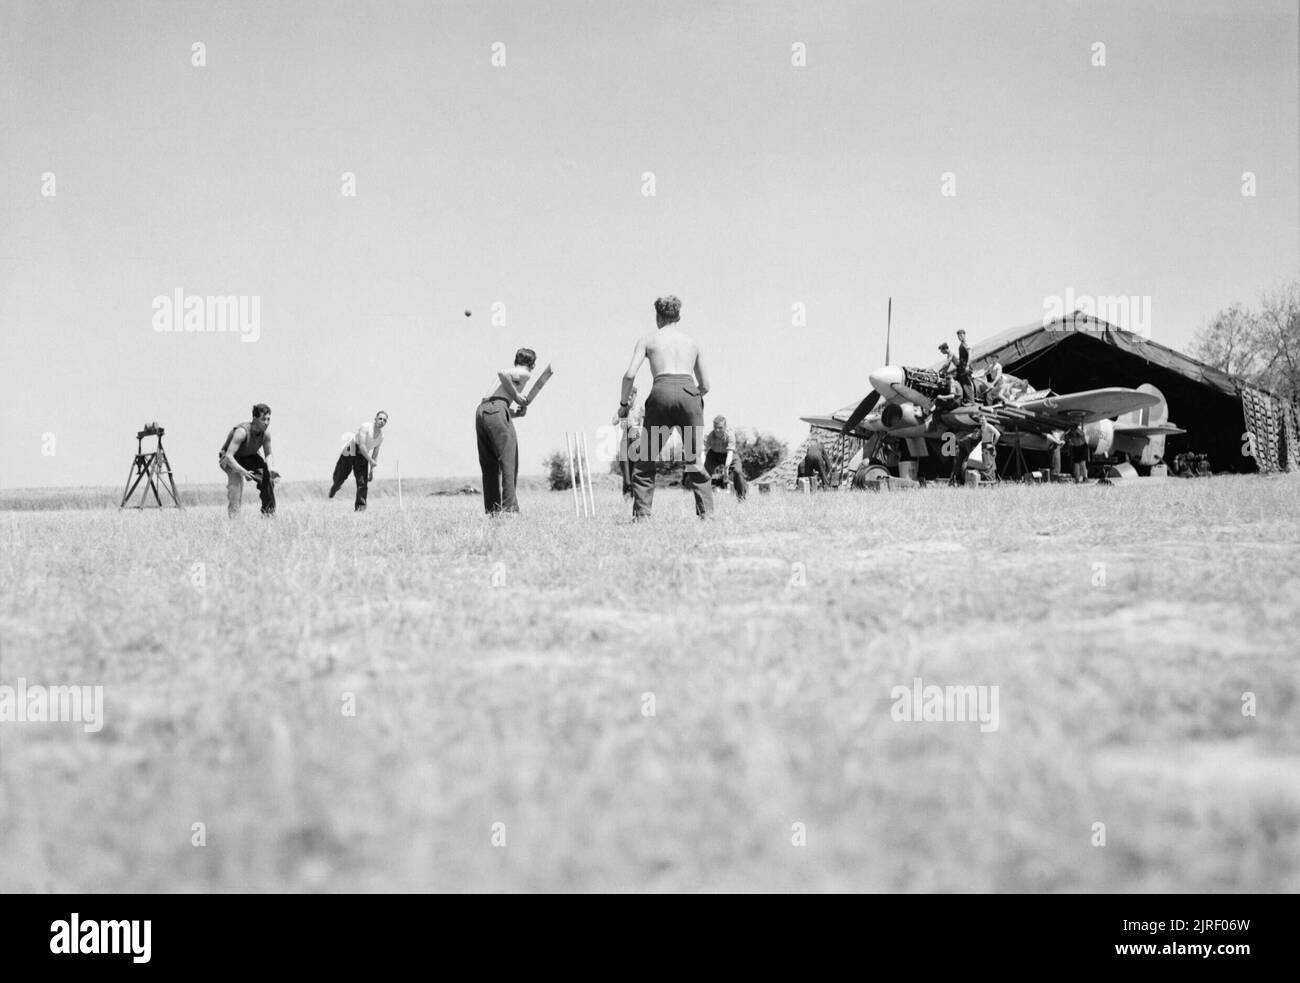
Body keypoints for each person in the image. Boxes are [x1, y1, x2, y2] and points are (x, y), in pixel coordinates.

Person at [618, 295, 714, 518]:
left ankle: (642, 516)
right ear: (679, 316)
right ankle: (707, 515)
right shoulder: (692, 343)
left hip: (660, 392)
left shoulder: (648, 340)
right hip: (689, 392)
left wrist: (624, 404)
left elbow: (629, 375)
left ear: (657, 316)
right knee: (693, 460)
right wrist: (690, 395)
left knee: (646, 459)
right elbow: (706, 385)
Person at [477, 348, 535, 514]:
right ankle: (510, 510)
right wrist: (517, 396)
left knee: (489, 464)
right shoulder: (524, 373)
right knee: (509, 461)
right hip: (497, 409)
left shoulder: (513, 377)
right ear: (532, 364)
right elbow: (502, 373)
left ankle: (493, 511)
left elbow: (493, 406)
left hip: (482, 411)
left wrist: (515, 413)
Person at [218, 403, 276, 517]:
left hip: (250, 456)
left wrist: (271, 469)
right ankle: (234, 519)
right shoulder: (242, 432)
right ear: (254, 419)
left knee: (267, 479)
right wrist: (243, 471)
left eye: (268, 419)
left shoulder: (266, 434)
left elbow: (268, 454)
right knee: (237, 483)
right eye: (263, 419)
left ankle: (268, 514)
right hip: (230, 459)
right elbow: (229, 456)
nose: (266, 422)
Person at [329, 410, 388, 511]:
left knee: (362, 483)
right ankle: (335, 487)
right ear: (375, 419)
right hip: (351, 450)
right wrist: (370, 460)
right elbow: (362, 446)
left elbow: (375, 453)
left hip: (363, 456)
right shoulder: (366, 427)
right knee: (340, 476)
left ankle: (360, 509)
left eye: (384, 420)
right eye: (380, 418)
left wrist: (371, 472)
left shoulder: (381, 436)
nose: (382, 421)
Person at [703, 415, 747, 499]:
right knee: (704, 474)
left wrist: (726, 470)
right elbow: (703, 450)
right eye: (715, 427)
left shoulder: (730, 435)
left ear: (725, 427)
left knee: (738, 472)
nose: (717, 430)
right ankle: (704, 497)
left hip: (729, 454)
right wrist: (702, 465)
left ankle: (741, 497)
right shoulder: (710, 435)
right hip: (714, 454)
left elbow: (730, 453)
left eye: (720, 428)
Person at [610, 385, 642, 498]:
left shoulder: (640, 408)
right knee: (626, 475)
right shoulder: (623, 409)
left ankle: (636, 497)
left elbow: (647, 424)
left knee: (635, 473)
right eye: (626, 397)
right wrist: (622, 409)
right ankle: (627, 497)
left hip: (636, 439)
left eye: (630, 397)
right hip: (625, 440)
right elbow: (613, 421)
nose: (628, 399)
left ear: (635, 396)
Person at [954, 329, 974, 403]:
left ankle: (971, 401)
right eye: (958, 336)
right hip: (962, 367)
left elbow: (970, 354)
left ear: (964, 335)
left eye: (961, 335)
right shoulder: (961, 344)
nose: (959, 337)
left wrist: (968, 365)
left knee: (966, 384)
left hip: (966, 366)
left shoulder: (966, 343)